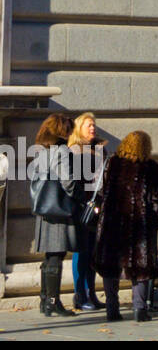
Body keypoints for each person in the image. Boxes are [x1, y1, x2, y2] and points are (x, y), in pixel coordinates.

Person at [93, 131, 158, 323]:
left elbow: (102, 191)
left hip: (112, 224)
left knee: (111, 267)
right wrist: (155, 219)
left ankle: (112, 309)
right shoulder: (152, 168)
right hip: (139, 227)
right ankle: (139, 309)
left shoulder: (111, 164)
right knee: (140, 268)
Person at [31, 113, 82, 317]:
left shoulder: (42, 151)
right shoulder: (61, 150)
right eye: (70, 128)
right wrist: (80, 195)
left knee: (49, 256)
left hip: (45, 209)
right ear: (63, 130)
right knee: (56, 256)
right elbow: (67, 181)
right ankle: (53, 301)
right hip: (59, 209)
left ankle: (45, 301)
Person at [68, 112, 105, 311]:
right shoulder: (74, 151)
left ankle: (91, 292)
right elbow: (75, 182)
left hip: (98, 207)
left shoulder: (99, 150)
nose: (93, 128)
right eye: (88, 125)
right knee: (81, 252)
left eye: (94, 125)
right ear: (79, 128)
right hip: (83, 208)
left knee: (93, 253)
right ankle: (79, 295)